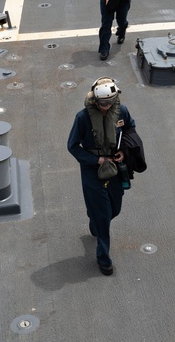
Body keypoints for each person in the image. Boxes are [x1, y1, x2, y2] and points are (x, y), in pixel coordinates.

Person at [67, 77, 136, 276]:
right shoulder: (82, 118)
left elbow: (130, 129)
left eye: (110, 102)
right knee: (104, 217)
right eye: (102, 103)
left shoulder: (122, 111)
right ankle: (103, 258)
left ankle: (94, 220)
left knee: (115, 208)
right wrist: (95, 160)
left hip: (115, 167)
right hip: (92, 170)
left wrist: (123, 152)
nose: (106, 107)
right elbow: (72, 146)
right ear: (95, 100)